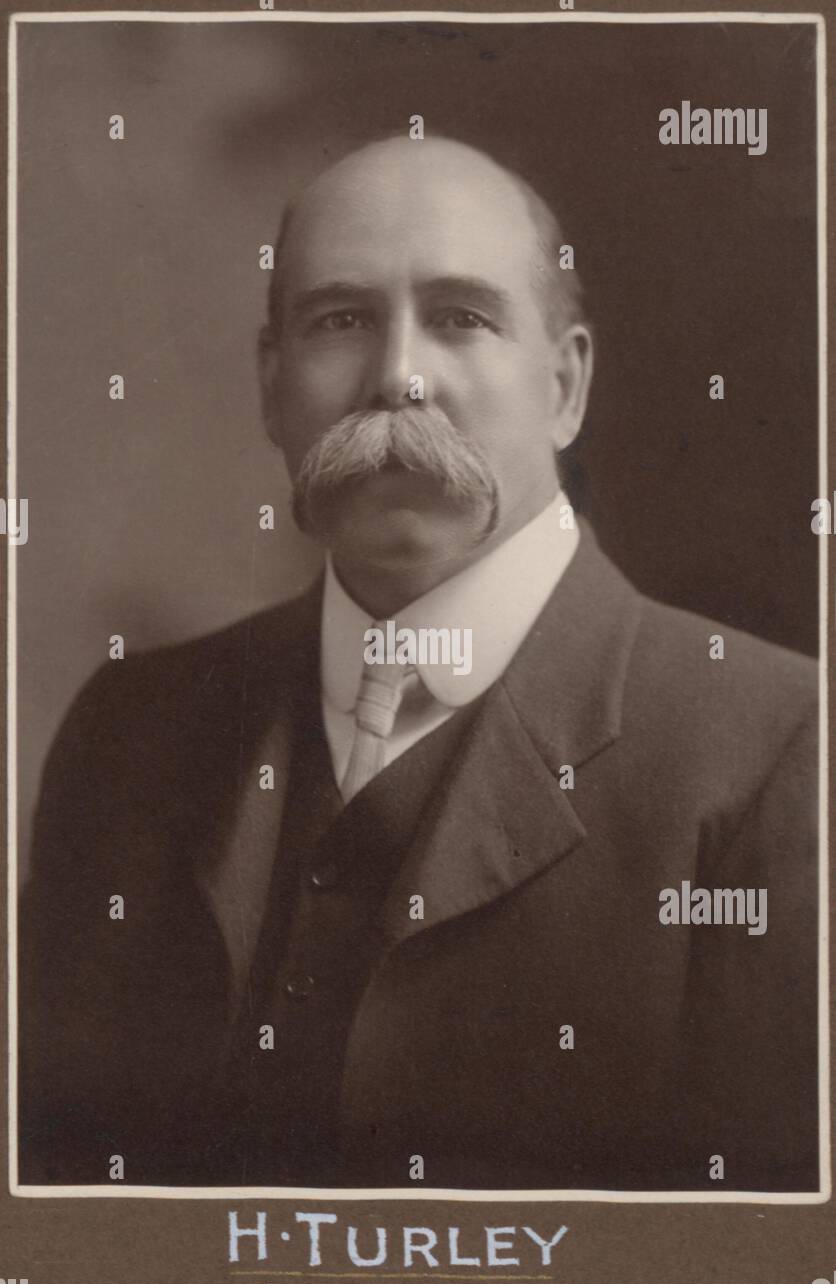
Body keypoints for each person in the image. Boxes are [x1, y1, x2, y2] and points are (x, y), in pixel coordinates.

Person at [18, 135, 819, 1192]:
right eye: (339, 320)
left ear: (565, 384)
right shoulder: (131, 730)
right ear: (271, 388)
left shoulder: (778, 747)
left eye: (460, 318)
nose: (397, 375)